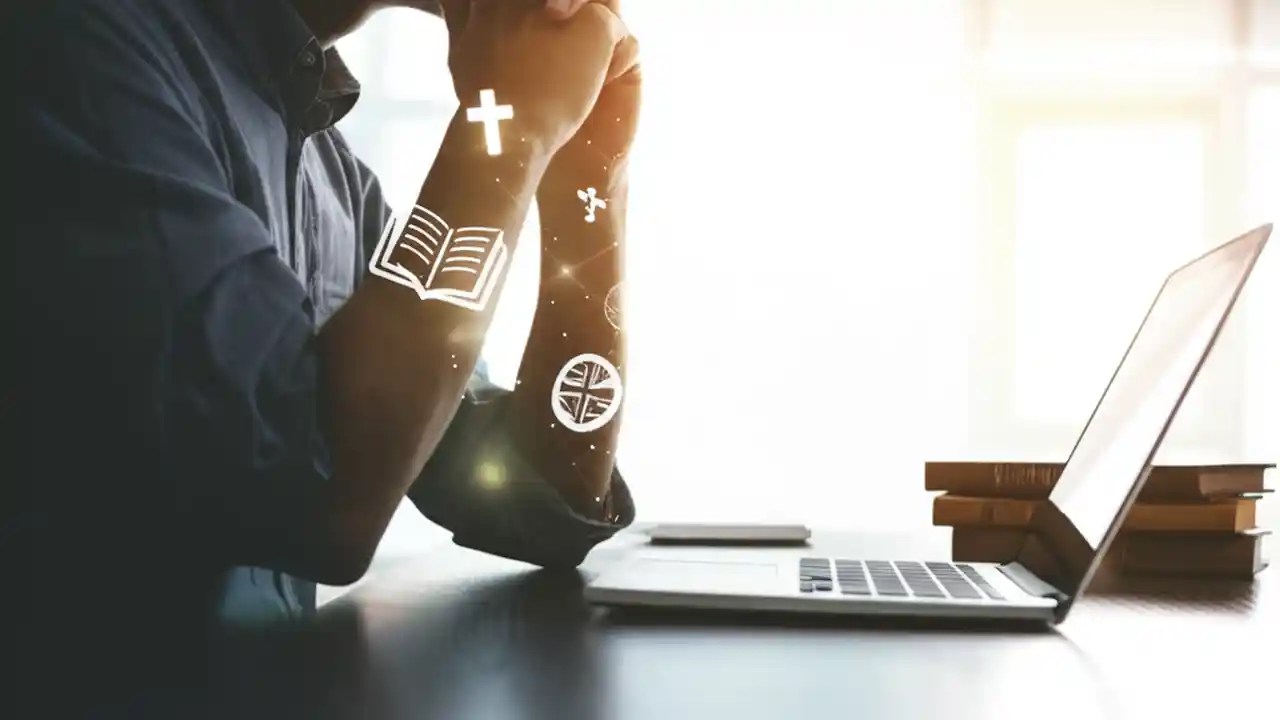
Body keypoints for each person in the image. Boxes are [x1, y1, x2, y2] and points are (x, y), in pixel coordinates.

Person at [6, 0, 641, 693]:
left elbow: (546, 490)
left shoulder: (328, 173)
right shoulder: (75, 48)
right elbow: (321, 502)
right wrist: (507, 131)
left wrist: (587, 183)